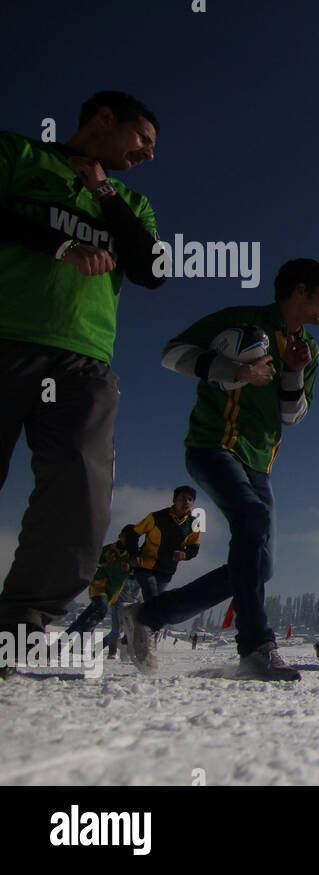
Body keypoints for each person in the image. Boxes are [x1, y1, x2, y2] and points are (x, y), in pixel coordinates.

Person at [0, 91, 164, 676]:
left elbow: (151, 270)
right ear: (102, 119)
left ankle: (16, 632)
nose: (147, 154)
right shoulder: (19, 156)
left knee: (78, 500)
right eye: (141, 139)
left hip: (83, 362)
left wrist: (102, 190)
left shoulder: (129, 203)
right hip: (6, 338)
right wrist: (60, 244)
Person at [123, 258, 319, 680]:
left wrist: (293, 372)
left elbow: (293, 416)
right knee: (252, 518)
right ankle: (256, 646)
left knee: (260, 568)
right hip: (213, 445)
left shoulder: (309, 351)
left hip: (261, 464)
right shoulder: (242, 319)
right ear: (299, 291)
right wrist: (235, 371)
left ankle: (149, 615)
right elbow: (172, 353)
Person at [66, 526, 140, 638]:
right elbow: (92, 561)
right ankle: (81, 641)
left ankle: (60, 643)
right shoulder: (108, 549)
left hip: (112, 592)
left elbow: (138, 572)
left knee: (86, 617)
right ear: (120, 536)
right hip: (99, 586)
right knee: (101, 610)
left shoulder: (133, 556)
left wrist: (130, 568)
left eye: (131, 539)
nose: (127, 540)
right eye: (126, 537)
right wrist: (104, 561)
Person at [131, 486, 201, 601]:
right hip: (146, 566)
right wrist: (134, 554)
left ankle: (134, 614)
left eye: (190, 499)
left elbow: (194, 549)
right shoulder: (156, 517)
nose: (186, 502)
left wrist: (184, 554)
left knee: (157, 604)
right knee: (153, 599)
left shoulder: (194, 524)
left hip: (166, 571)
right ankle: (134, 613)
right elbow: (132, 534)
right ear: (174, 500)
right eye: (183, 498)